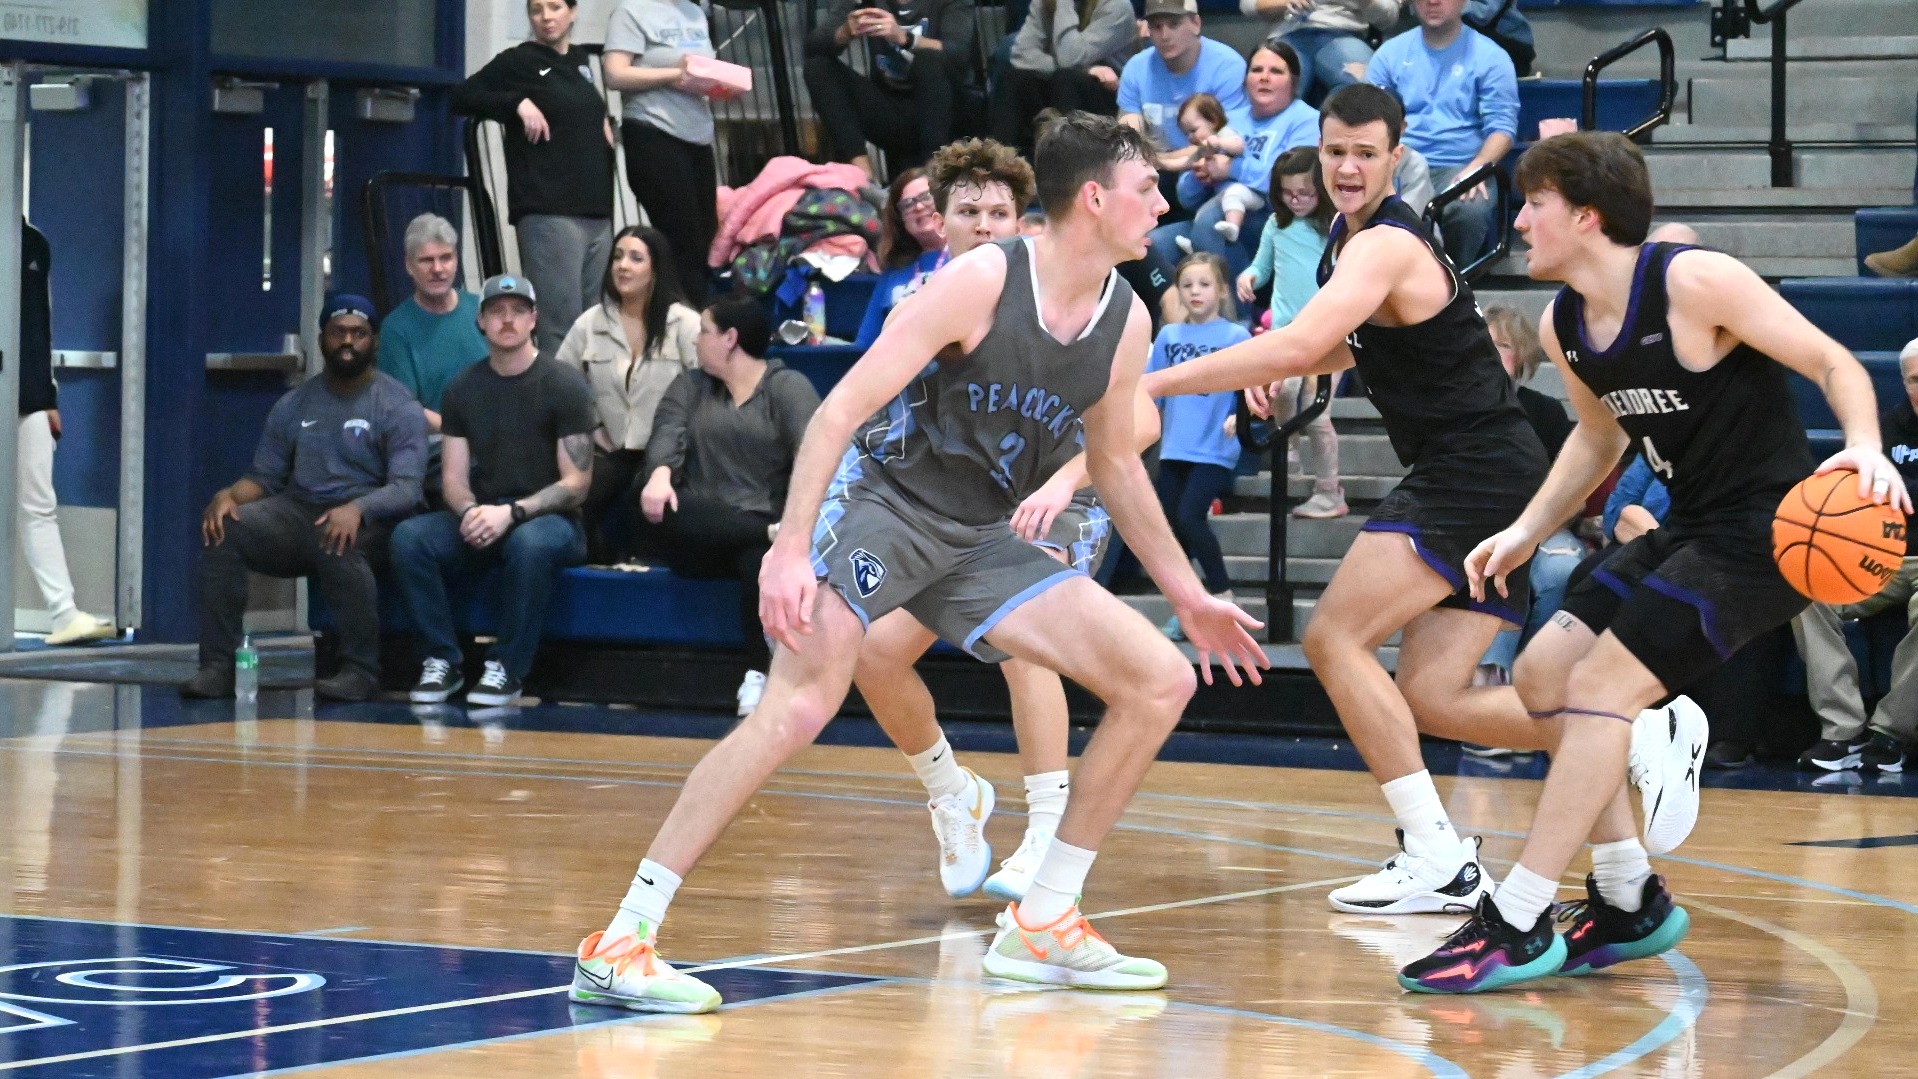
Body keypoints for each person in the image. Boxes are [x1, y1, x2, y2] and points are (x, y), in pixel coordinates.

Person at [567, 112, 1266, 1014]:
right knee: (799, 706)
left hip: (981, 537)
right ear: (1094, 199)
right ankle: (621, 938)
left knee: (1161, 678)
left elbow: (1118, 462)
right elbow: (838, 412)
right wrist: (788, 546)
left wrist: (1189, 593)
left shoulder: (1128, 317)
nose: (1163, 203)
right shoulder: (980, 280)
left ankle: (1049, 916)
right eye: (1145, 189)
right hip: (889, 512)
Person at [1398, 130, 1908, 994]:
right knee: (1543, 672)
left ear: (1587, 216)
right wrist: (1528, 529)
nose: (1519, 221)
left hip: (1766, 531)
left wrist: (1865, 446)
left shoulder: (1690, 280)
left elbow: (1828, 359)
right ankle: (1629, 892)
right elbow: (1599, 436)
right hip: (1690, 523)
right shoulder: (1565, 323)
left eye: (1535, 205)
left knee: (1599, 691)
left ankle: (1519, 915)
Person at [1145, 85, 1602, 918]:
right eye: (1333, 151)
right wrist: (1294, 372)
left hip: (1475, 467)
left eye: (1364, 152)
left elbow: (1301, 336)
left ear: (1397, 158)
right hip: (1485, 468)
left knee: (1332, 636)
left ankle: (1436, 855)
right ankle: (1621, 733)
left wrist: (1157, 379)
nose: (1347, 167)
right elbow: (1337, 345)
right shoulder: (1340, 239)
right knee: (1434, 696)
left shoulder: (1387, 242)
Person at [849, 137, 1148, 901]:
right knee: (873, 651)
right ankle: (953, 791)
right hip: (961, 506)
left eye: (1000, 212)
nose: (985, 224)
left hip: (1061, 493)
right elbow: (867, 419)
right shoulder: (916, 302)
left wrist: (1062, 482)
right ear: (936, 223)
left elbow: (1138, 422)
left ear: (1026, 221)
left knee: (1027, 642)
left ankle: (1048, 825)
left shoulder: (1070, 290)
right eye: (968, 211)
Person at [184, 296, 427, 702]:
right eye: (338, 333)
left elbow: (407, 487)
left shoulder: (397, 404)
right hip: (301, 511)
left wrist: (357, 509)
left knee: (337, 539)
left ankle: (361, 670)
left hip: (371, 516)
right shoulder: (294, 403)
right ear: (321, 339)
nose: (347, 341)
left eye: (358, 333)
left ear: (375, 342)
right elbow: (264, 476)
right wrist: (227, 496)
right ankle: (218, 667)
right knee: (224, 530)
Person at [392, 274, 596, 707]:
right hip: (484, 513)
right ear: (480, 321)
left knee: (530, 543)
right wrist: (469, 512)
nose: (508, 321)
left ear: (534, 319)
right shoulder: (462, 389)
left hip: (549, 520)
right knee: (410, 539)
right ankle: (441, 660)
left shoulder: (564, 383)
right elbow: (452, 480)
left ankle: (507, 668)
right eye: (497, 312)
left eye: (518, 311)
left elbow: (577, 483)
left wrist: (513, 513)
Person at [639, 296, 820, 716]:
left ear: (730, 338)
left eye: (703, 330)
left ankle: (759, 674)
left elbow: (814, 456)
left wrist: (790, 526)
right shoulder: (690, 385)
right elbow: (667, 431)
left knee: (759, 558)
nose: (696, 339)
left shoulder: (786, 387)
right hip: (699, 530)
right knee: (657, 503)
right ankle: (766, 534)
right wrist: (660, 472)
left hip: (764, 532)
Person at [454, 0, 616, 353]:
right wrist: (516, 103)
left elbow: (575, 110)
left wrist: (602, 120)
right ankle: (561, 405)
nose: (546, 17)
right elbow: (462, 95)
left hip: (596, 209)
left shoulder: (579, 62)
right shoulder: (520, 61)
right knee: (563, 324)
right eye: (537, 9)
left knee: (598, 323)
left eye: (555, 7)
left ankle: (591, 405)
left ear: (573, 12)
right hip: (550, 209)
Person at [1792, 336, 1918, 775]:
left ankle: (1890, 733)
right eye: (1916, 380)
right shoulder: (1883, 431)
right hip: (1883, 554)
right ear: (1903, 382)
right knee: (1808, 591)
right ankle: (1842, 730)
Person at [556, 226, 700, 563]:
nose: (623, 266)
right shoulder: (590, 323)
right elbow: (560, 386)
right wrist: (591, 426)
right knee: (575, 498)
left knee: (648, 500)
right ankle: (594, 563)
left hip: (672, 452)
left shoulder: (685, 323)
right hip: (613, 448)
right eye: (618, 257)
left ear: (656, 268)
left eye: (636, 258)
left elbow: (705, 390)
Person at [16, 219, 115, 647]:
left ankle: (64, 613)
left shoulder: (34, 240)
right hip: (21, 387)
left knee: (39, 506)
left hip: (28, 392)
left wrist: (49, 393)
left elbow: (42, 324)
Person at [1366, 0, 1517, 265]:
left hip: (1461, 163)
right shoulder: (1389, 54)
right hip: (1400, 161)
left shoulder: (1491, 56)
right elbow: (1372, 121)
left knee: (1469, 210)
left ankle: (1454, 288)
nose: (1432, 2)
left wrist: (1477, 167)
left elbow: (1502, 128)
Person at [1237, 146, 1343, 519]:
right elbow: (1261, 266)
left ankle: (1330, 490)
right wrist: (1248, 276)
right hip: (1286, 332)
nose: (1296, 201)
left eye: (1306, 193)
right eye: (1288, 193)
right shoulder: (1276, 225)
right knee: (1285, 393)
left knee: (1318, 413)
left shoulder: (1335, 226)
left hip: (1329, 335)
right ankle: (1288, 447)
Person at [1150, 253, 1250, 643]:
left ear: (1222, 290)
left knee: (1191, 517)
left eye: (1204, 284)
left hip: (1213, 448)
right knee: (1171, 530)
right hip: (1175, 447)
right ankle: (1190, 608)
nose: (1194, 291)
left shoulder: (1236, 337)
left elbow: (1254, 384)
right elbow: (1151, 389)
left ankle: (1224, 597)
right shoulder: (1169, 337)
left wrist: (1238, 415)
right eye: (1187, 284)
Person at [602, 0, 730, 307]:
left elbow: (698, 70)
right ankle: (684, 328)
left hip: (697, 137)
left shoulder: (694, 12)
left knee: (705, 240)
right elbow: (615, 74)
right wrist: (671, 74)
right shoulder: (632, 10)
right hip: (653, 132)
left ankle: (694, 324)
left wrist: (722, 85)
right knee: (682, 241)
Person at [1150, 43, 1318, 275]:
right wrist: (1200, 175)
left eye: (1276, 71)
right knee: (1153, 246)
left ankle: (1236, 311)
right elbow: (1186, 198)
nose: (1264, 78)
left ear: (1294, 81)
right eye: (1257, 70)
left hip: (1272, 218)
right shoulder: (1230, 120)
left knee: (1210, 222)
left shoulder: (1307, 120)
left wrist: (1231, 168)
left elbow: (1292, 183)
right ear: (1246, 78)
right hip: (1213, 215)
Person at [377, 213, 488, 505]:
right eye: (426, 261)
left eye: (446, 258)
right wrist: (468, 431)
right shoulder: (396, 328)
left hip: (494, 434)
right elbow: (407, 411)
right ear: (408, 266)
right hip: (436, 444)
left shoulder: (482, 310)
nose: (438, 269)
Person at [803, 0, 977, 178]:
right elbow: (813, 46)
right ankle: (864, 176)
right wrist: (846, 31)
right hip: (894, 111)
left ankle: (933, 175)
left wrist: (905, 38)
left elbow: (959, 54)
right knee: (817, 67)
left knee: (929, 59)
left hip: (947, 112)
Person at [1117, 0, 1248, 215]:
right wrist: (1144, 159)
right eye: (1156, 27)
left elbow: (1227, 138)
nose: (1165, 35)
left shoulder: (1227, 66)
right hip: (1155, 169)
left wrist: (1161, 161)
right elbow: (1129, 133)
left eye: (1174, 24)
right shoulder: (1136, 67)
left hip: (1206, 169)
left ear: (1196, 23)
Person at [992, 0, 1136, 156]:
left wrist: (1063, 4)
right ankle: (1002, 163)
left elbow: (1071, 56)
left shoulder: (1116, 6)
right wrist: (1087, 70)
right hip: (1063, 83)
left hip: (1108, 93)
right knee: (1013, 77)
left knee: (1067, 79)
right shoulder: (1045, 3)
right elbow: (1021, 54)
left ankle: (1066, 165)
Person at [852, 169, 949, 350]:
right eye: (908, 204)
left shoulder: (968, 255)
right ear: (900, 219)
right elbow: (865, 345)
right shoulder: (894, 271)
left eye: (926, 197)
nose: (918, 207)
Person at [1241, 0, 1396, 105]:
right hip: (1288, 33)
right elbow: (1248, 5)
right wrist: (1285, 2)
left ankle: (1334, 141)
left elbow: (1389, 17)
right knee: (1270, 87)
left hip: (1345, 32)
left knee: (1365, 89)